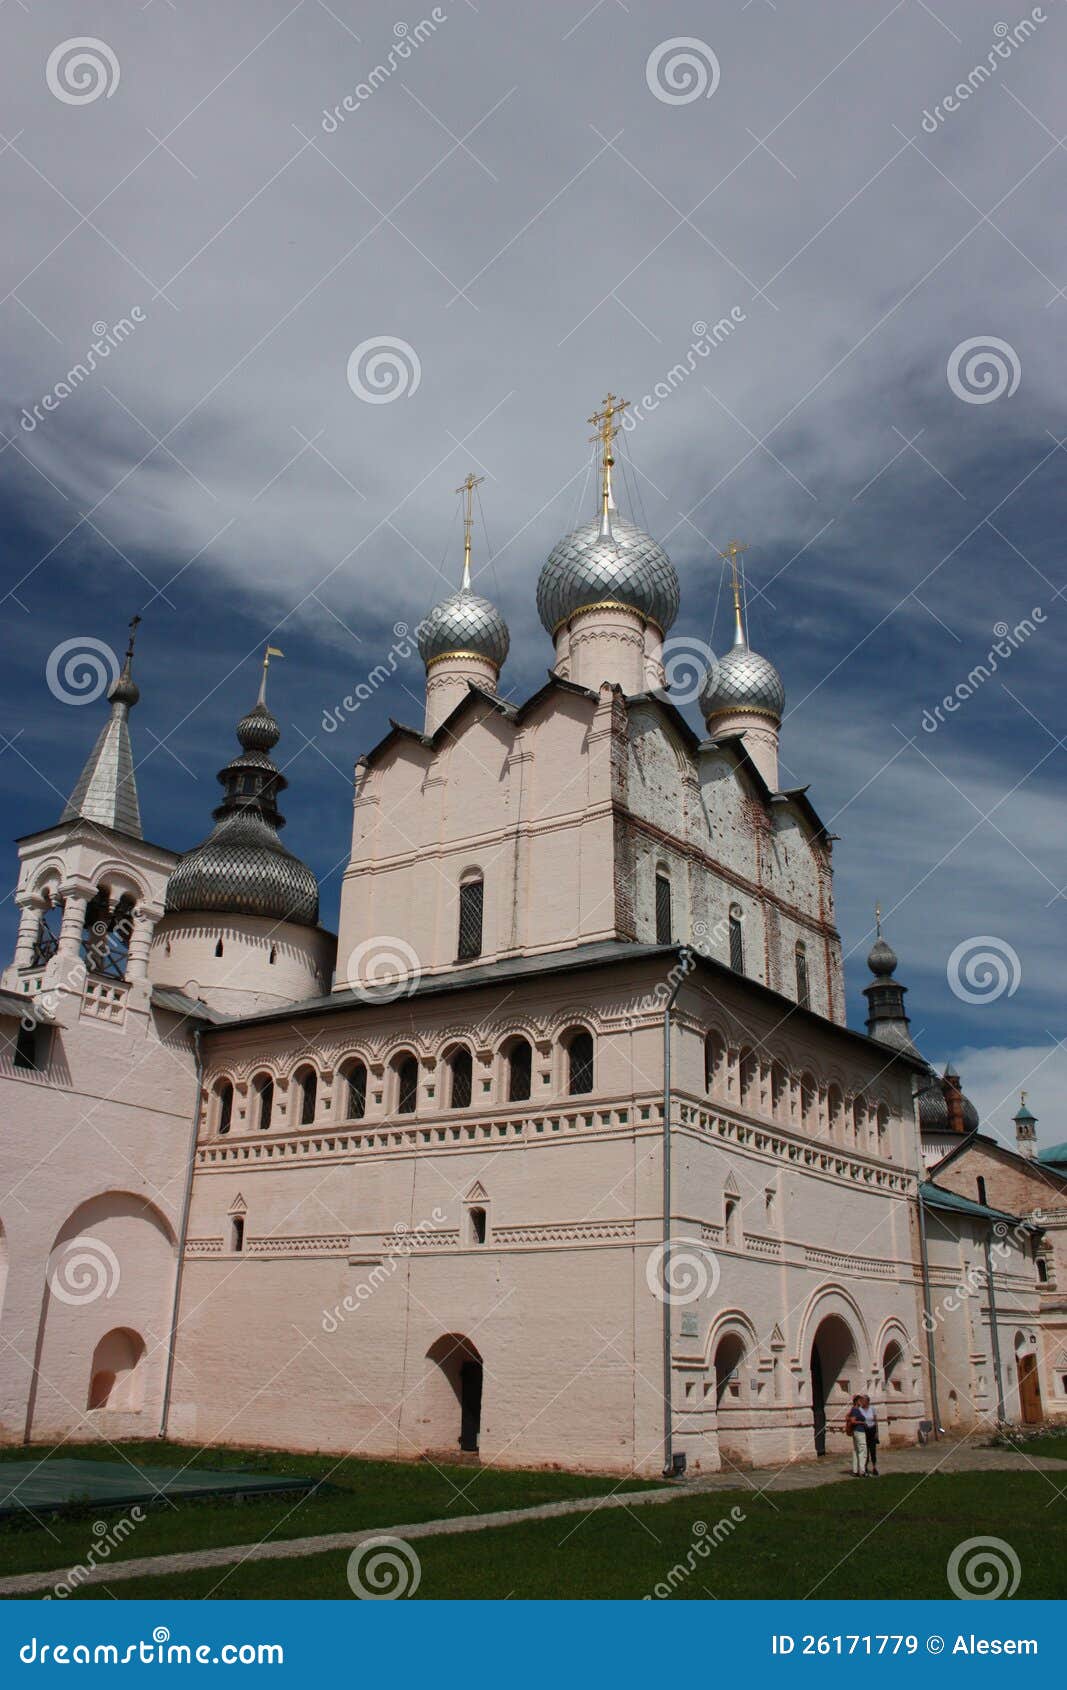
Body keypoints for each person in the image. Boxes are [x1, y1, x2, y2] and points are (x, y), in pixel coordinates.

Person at [845, 1394, 867, 1476]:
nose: (862, 1402)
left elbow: (847, 1417)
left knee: (856, 1450)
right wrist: (862, 1422)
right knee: (862, 1450)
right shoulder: (855, 1410)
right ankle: (862, 1471)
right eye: (861, 1401)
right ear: (857, 1401)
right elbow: (853, 1421)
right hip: (859, 1431)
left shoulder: (854, 1409)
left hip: (856, 1431)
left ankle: (855, 1470)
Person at [859, 1394, 879, 1475]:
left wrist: (877, 1432)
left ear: (867, 1401)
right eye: (861, 1400)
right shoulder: (860, 1410)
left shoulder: (872, 1409)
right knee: (865, 1450)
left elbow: (875, 1420)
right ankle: (865, 1467)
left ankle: (874, 1467)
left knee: (873, 1450)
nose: (862, 1402)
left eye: (863, 1400)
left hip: (872, 1429)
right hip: (865, 1431)